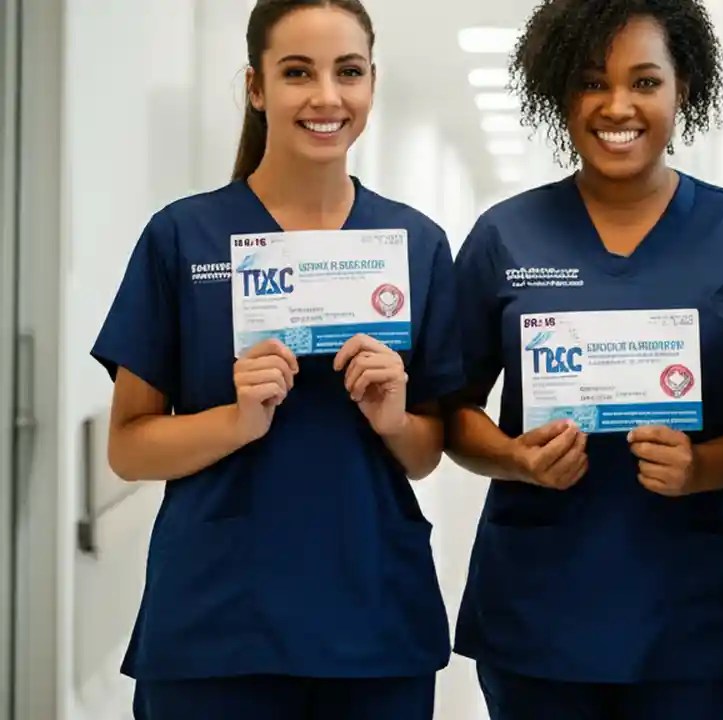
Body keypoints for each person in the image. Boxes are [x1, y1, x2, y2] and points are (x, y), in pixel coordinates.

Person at [91, 1, 461, 717]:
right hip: (218, 623)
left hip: (370, 620)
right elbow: (128, 448)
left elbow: (424, 454)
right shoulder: (183, 237)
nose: (326, 96)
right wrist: (236, 422)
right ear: (256, 88)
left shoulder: (415, 244)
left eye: (347, 72)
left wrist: (392, 417)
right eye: (297, 73)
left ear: (372, 83)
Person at [444, 1, 723, 718]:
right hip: (541, 606)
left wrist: (703, 468)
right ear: (559, 92)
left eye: (645, 82)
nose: (617, 106)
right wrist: (514, 458)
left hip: (695, 609)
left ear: (683, 87)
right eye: (591, 82)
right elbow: (450, 409)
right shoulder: (504, 235)